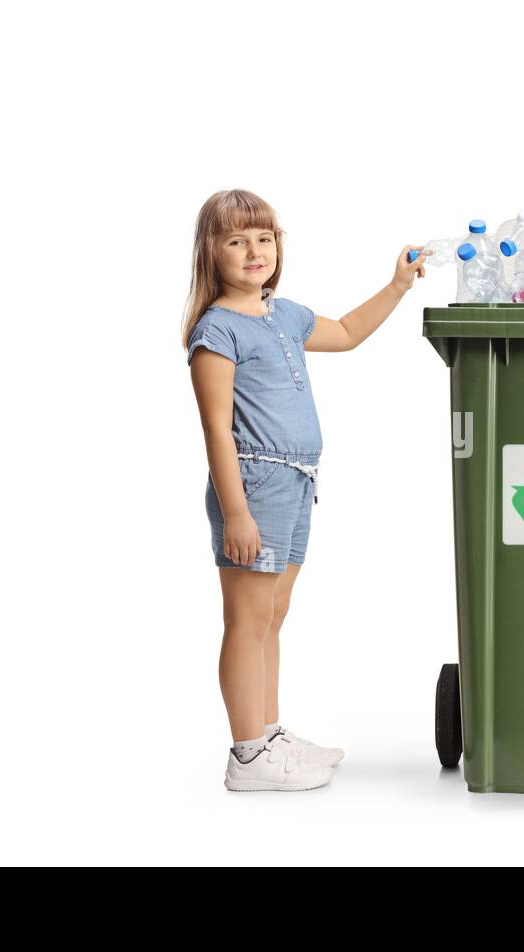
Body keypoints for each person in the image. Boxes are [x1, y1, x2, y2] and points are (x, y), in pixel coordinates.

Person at [181, 189, 425, 791]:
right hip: (255, 482)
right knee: (247, 617)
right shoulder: (217, 331)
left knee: (272, 616)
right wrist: (236, 510)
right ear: (211, 253)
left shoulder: (282, 314)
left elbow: (344, 332)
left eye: (264, 238)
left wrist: (395, 287)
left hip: (296, 482)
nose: (253, 251)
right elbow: (216, 427)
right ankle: (248, 755)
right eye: (235, 240)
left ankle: (267, 735)